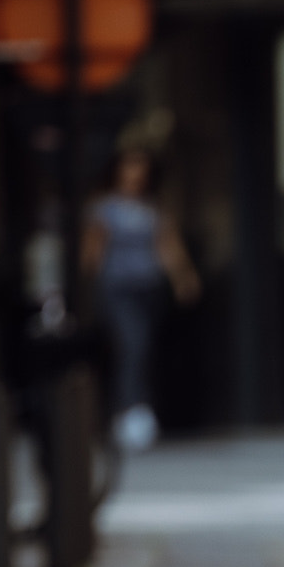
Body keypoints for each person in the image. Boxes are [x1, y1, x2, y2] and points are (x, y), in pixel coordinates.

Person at [81, 150, 201, 453]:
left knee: (144, 348)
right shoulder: (104, 208)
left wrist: (183, 277)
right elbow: (92, 251)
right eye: (130, 165)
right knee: (132, 345)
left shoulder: (152, 208)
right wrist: (87, 287)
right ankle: (130, 412)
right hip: (118, 288)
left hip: (148, 287)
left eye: (140, 166)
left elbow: (167, 245)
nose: (136, 172)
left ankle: (139, 410)